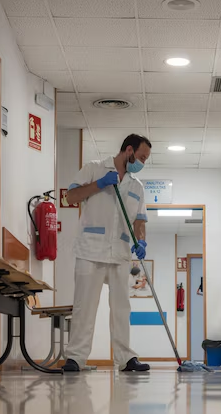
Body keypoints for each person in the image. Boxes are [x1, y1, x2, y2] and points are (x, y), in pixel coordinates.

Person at [62, 134, 152, 372]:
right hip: (90, 249)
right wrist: (99, 184)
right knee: (85, 306)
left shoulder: (136, 186)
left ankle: (125, 358)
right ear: (129, 150)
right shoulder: (94, 169)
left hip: (121, 253)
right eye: (142, 157)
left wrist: (141, 242)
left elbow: (139, 221)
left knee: (122, 308)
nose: (142, 163)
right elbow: (70, 196)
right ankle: (75, 358)